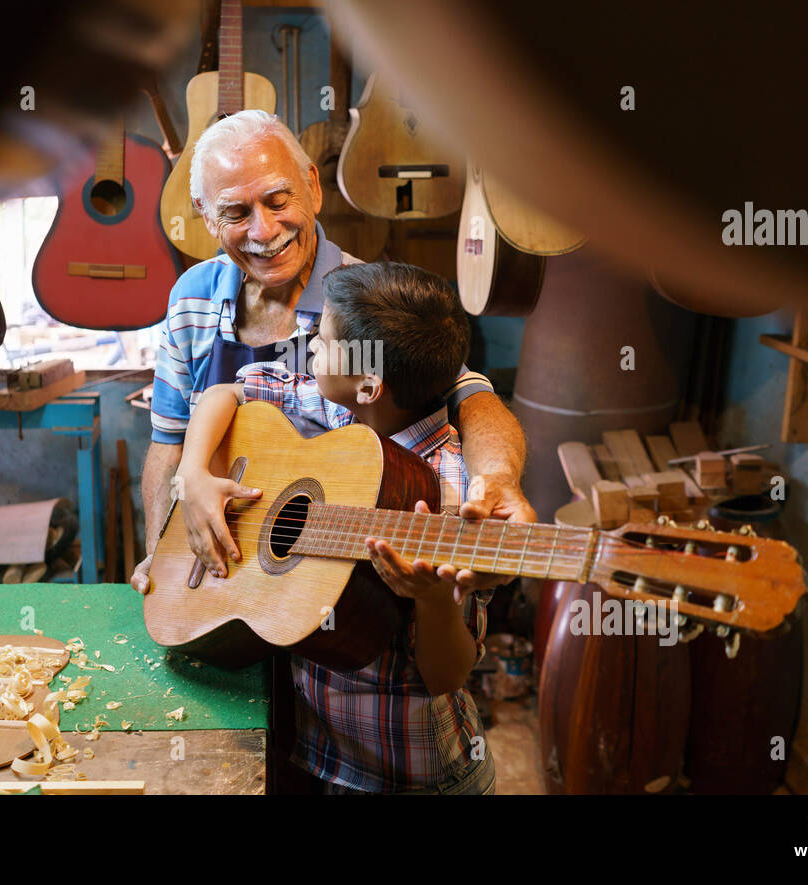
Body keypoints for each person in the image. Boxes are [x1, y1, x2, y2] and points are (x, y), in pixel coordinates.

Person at [133, 109, 534, 595]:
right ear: (203, 212)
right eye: (236, 213)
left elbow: (469, 395)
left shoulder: (360, 304)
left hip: (314, 595)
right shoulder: (190, 296)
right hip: (220, 586)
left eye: (279, 201)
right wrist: (164, 558)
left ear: (313, 188)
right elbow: (167, 444)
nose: (263, 231)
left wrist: (496, 477)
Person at [172, 261, 496, 793]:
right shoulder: (339, 412)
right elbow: (226, 393)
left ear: (369, 383)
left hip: (407, 770)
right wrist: (193, 474)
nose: (308, 345)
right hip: (314, 747)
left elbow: (450, 676)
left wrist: (434, 600)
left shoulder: (452, 492)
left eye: (322, 339)